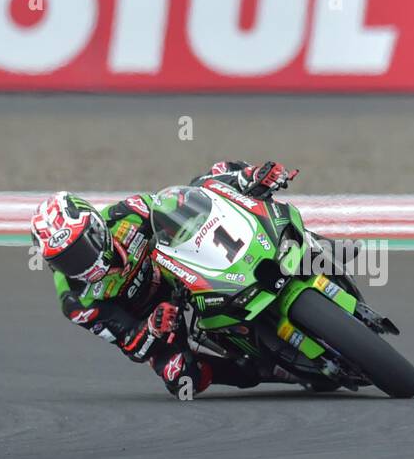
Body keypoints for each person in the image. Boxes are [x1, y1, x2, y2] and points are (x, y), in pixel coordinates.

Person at [31, 160, 301, 397]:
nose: (79, 264)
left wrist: (246, 180)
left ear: (96, 227)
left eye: (79, 251)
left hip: (179, 270)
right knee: (181, 379)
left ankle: (266, 203)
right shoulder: (77, 301)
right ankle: (260, 369)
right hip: (155, 314)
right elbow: (130, 344)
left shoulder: (128, 214)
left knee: (208, 180)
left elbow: (186, 202)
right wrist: (151, 327)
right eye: (64, 261)